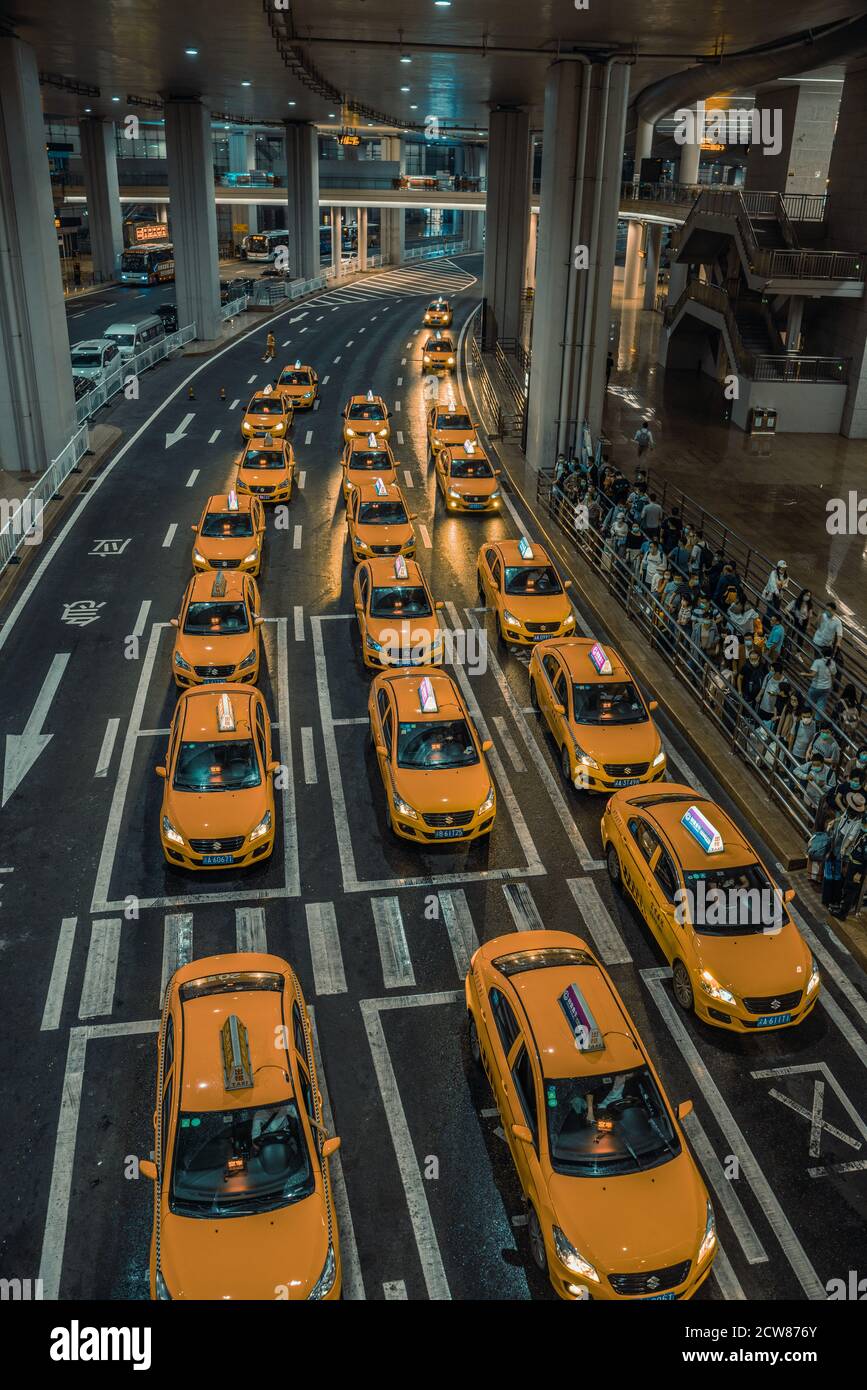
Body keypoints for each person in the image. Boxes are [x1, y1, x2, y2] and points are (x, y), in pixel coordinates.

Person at [757, 662, 785, 727]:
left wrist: (776, 694)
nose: (770, 671)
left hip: (773, 710)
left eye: (772, 670)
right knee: (759, 724)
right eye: (770, 670)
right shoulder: (768, 676)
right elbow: (763, 688)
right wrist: (759, 695)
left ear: (778, 672)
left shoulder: (784, 681)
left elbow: (784, 695)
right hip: (763, 706)